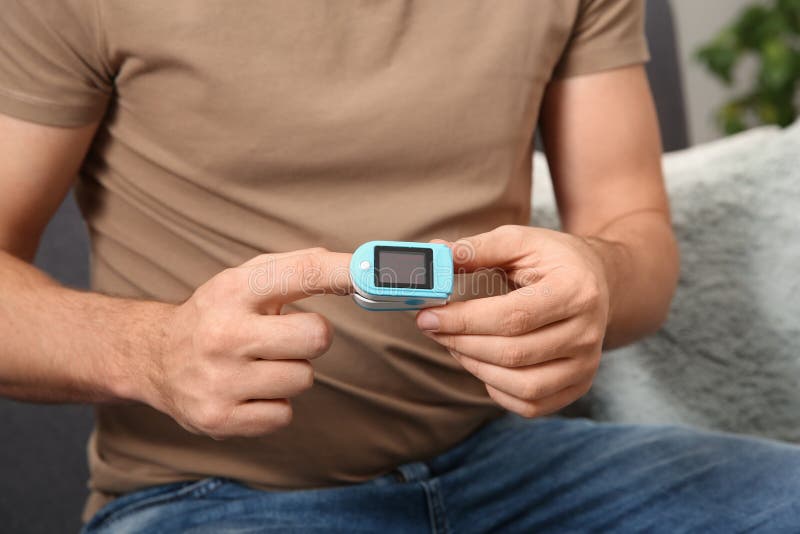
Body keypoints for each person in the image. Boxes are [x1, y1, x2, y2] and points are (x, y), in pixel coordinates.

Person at [1, 1, 798, 532]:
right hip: (211, 495)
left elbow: (636, 235)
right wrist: (152, 352)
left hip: (508, 461)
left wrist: (600, 277)